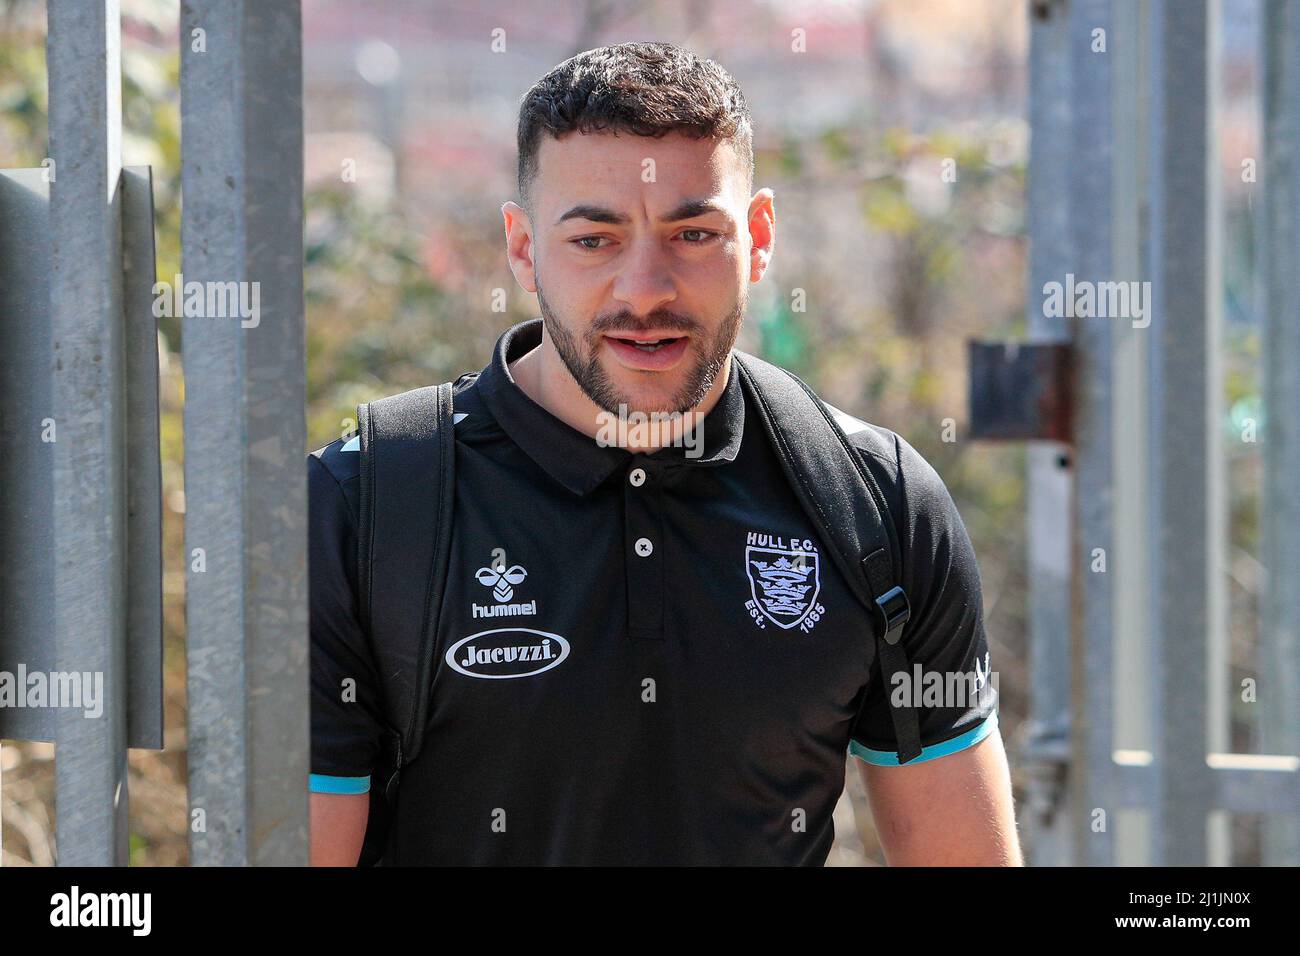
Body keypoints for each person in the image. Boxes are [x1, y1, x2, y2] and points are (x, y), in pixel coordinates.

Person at [307, 41, 1021, 866]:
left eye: (691, 232)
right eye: (593, 241)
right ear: (522, 248)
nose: (645, 291)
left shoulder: (877, 502)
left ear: (756, 238)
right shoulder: (365, 510)